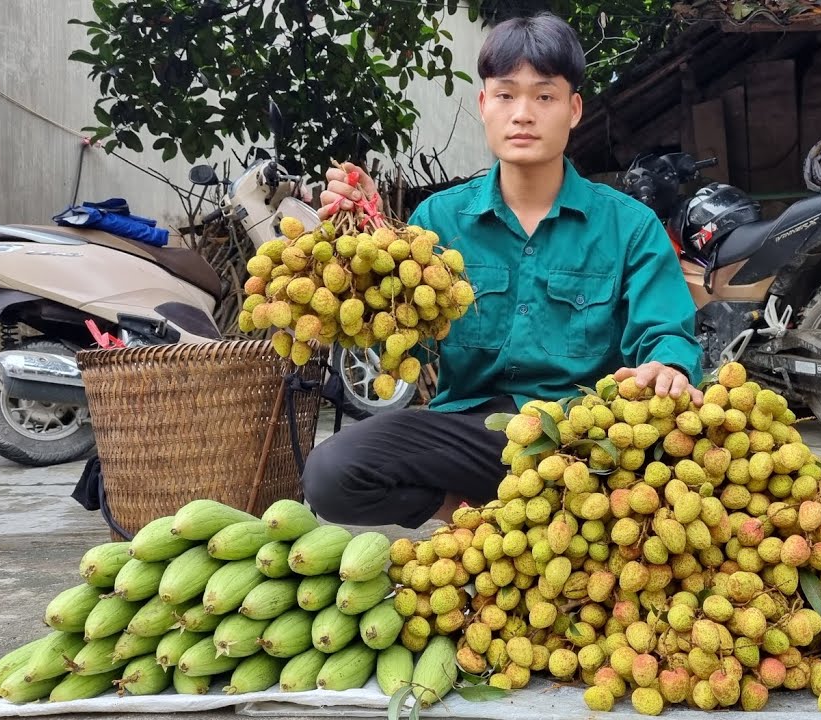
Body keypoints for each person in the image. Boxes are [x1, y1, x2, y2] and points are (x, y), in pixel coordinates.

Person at [302, 12, 704, 529]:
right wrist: (366, 250)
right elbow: (404, 347)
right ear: (483, 104)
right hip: (474, 435)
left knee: (686, 462)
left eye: (544, 96)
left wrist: (667, 368)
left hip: (586, 441)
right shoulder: (437, 221)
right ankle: (479, 523)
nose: (523, 114)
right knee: (331, 472)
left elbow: (665, 331)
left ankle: (560, 522)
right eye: (506, 94)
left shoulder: (629, 226)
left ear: (574, 109)